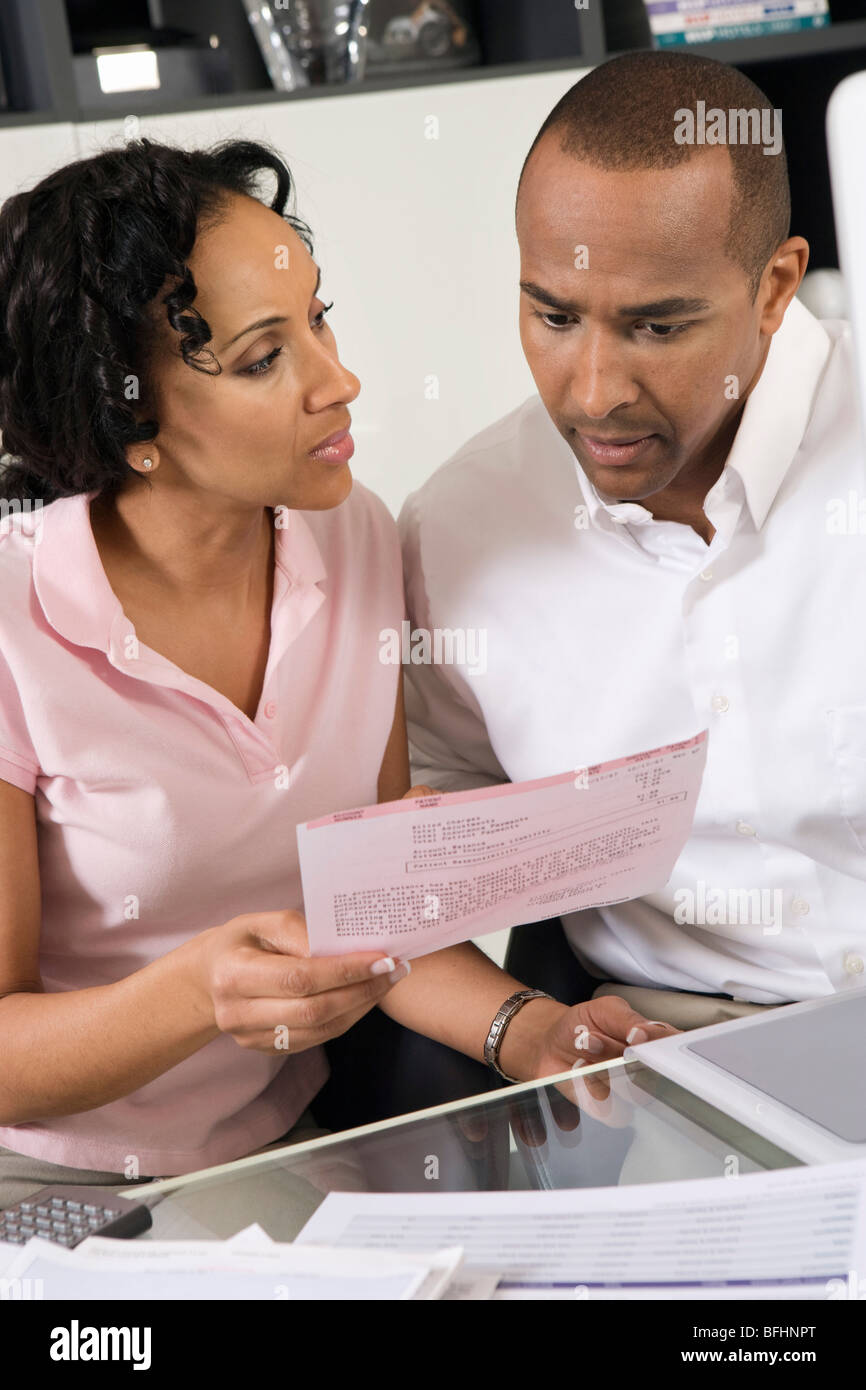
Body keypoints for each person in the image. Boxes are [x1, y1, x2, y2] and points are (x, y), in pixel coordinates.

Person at [0, 137, 671, 1210]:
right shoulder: (11, 624)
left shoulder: (350, 536)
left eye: (317, 318)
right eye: (266, 357)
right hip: (53, 1180)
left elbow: (378, 908)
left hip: (283, 1139)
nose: (339, 379)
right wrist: (194, 997)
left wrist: (528, 1027)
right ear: (128, 418)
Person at [399, 50, 866, 1031]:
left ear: (776, 285)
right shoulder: (460, 531)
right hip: (668, 1047)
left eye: (657, 327)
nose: (596, 389)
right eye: (553, 315)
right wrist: (518, 1026)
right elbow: (416, 869)